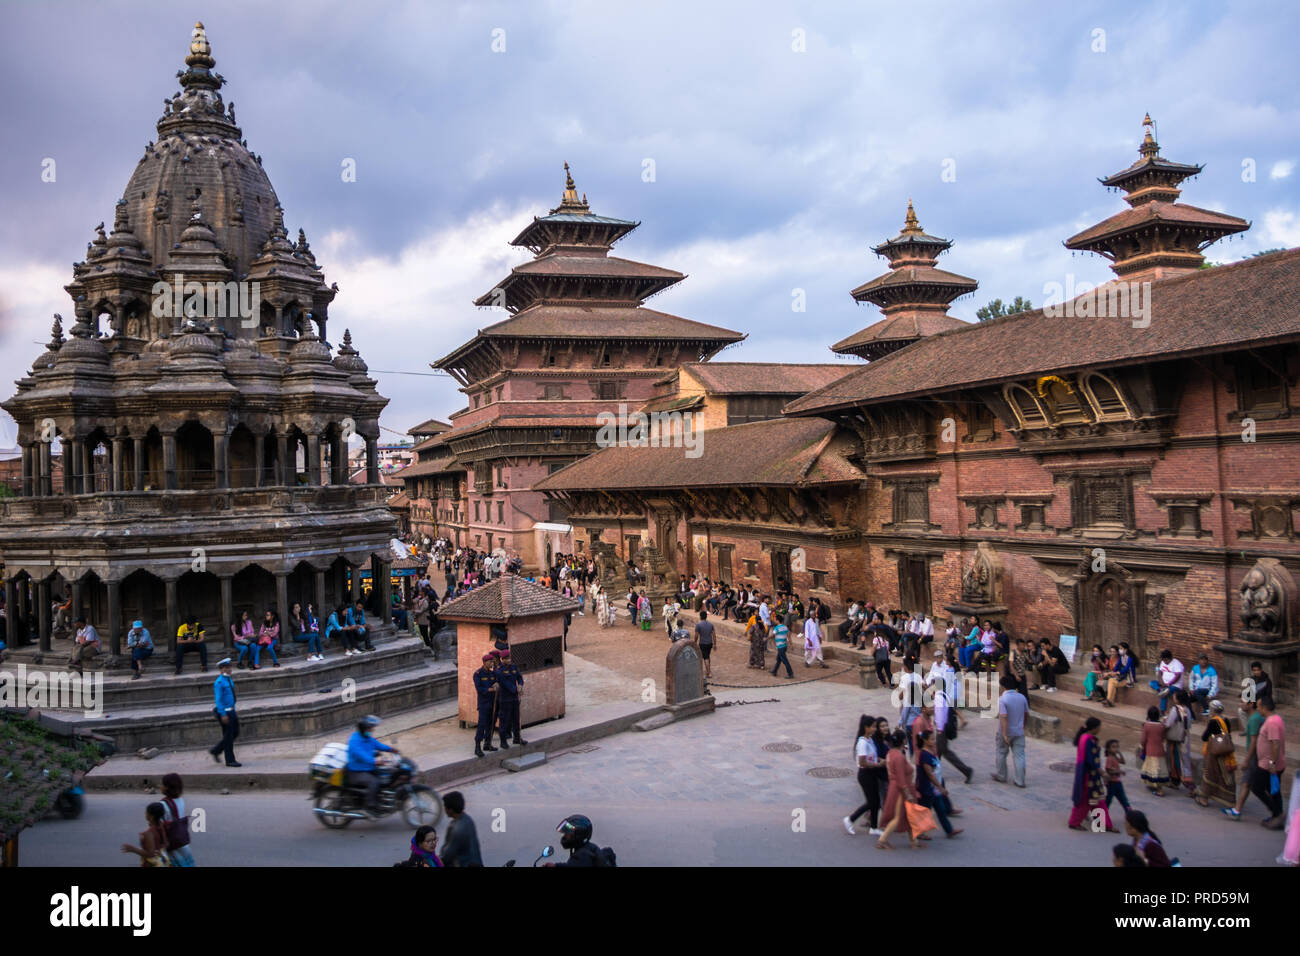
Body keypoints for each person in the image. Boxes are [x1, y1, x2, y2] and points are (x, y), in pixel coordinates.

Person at [928, 650, 973, 783]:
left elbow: (941, 714)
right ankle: (935, 770)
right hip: (944, 725)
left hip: (942, 728)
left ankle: (966, 770)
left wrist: (939, 728)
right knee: (938, 751)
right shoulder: (942, 694)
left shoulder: (939, 697)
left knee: (945, 751)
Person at [875, 730, 924, 851]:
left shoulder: (891, 753)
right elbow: (901, 778)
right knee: (898, 817)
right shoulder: (899, 757)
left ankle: (914, 841)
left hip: (897, 788)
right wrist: (908, 794)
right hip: (900, 791)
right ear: (903, 741)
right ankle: (882, 840)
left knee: (908, 816)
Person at [844, 715, 888, 837]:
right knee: (871, 802)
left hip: (871, 772)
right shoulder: (862, 742)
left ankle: (873, 827)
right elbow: (863, 762)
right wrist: (877, 765)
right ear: (866, 727)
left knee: (876, 801)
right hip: (865, 774)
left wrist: (880, 760)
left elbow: (872, 756)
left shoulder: (870, 740)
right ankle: (850, 819)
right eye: (873, 726)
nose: (875, 729)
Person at [1067, 717, 1113, 832]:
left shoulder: (1084, 738)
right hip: (1088, 776)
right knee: (1086, 800)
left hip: (1089, 775)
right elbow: (1091, 760)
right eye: (1099, 727)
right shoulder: (1089, 740)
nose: (1100, 729)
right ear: (1095, 728)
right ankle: (1074, 822)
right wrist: (1102, 773)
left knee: (1096, 799)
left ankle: (1104, 824)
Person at [915, 730, 963, 838]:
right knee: (924, 811)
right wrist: (940, 787)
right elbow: (930, 774)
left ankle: (949, 830)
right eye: (932, 739)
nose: (934, 741)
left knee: (940, 809)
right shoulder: (925, 755)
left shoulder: (931, 752)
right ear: (925, 740)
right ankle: (919, 832)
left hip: (933, 788)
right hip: (927, 788)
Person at [346, 714, 397, 815]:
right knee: (374, 782)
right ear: (364, 729)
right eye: (370, 728)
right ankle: (370, 806)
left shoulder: (367, 737)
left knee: (387, 775)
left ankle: (382, 799)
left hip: (367, 768)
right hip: (356, 771)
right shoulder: (354, 741)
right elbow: (362, 756)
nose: (372, 730)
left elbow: (377, 745)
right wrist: (376, 761)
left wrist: (391, 749)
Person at [1225, 699, 1265, 821]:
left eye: (1243, 702)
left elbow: (1254, 741)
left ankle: (1237, 810)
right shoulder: (1256, 717)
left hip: (1255, 755)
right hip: (1258, 754)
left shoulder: (1254, 719)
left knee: (1247, 783)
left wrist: (1247, 760)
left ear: (1250, 704)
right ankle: (1237, 809)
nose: (1240, 705)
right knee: (1248, 783)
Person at [1252, 696, 1287, 830]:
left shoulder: (1272, 722)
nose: (1258, 708)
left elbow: (1276, 744)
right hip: (1271, 763)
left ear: (1265, 707)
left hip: (1268, 765)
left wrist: (1272, 763)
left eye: (1259, 706)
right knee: (1273, 790)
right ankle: (1277, 816)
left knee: (1257, 787)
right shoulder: (1275, 719)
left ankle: (1277, 813)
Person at [1195, 700, 1237, 807]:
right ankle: (1230, 801)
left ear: (1213, 710)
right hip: (1225, 752)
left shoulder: (1213, 721)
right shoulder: (1226, 720)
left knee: (1209, 775)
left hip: (1214, 753)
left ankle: (1204, 799)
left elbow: (1204, 737)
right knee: (1225, 776)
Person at [991, 674, 1027, 787]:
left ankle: (1001, 775)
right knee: (1019, 756)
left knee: (1001, 752)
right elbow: (1026, 714)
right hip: (1019, 731)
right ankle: (1020, 780)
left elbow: (1004, 717)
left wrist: (1005, 734)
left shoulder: (1002, 699)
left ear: (1003, 687)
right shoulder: (1022, 697)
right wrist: (1023, 725)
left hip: (1005, 731)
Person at [546, 814, 614, 867]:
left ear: (579, 835)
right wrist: (556, 866)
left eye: (568, 833)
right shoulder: (589, 848)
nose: (565, 835)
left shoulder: (582, 856)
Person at [208, 658, 240, 767]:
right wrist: (223, 714)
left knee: (235, 733)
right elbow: (218, 700)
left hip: (231, 710)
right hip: (225, 712)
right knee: (229, 736)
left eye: (229, 667)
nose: (229, 669)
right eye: (226, 668)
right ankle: (230, 760)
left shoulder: (228, 679)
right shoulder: (219, 682)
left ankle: (216, 750)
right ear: (221, 670)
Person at [160, 773, 195, 867]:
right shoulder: (180, 800)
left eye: (162, 784)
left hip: (172, 843)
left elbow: (160, 825)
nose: (160, 786)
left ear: (167, 787)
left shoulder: (162, 804)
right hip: (181, 840)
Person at [440, 791, 483, 867]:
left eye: (445, 807)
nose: (444, 809)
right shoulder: (468, 820)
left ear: (451, 810)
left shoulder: (457, 829)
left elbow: (448, 855)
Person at [120, 802, 171, 867]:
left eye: (146, 813)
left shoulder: (149, 833)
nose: (145, 814)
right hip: (163, 860)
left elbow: (150, 853)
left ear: (151, 817)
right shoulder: (162, 825)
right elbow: (166, 843)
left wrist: (133, 849)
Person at [494, 649, 522, 750]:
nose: (509, 660)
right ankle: (503, 741)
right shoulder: (499, 671)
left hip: (514, 698)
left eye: (509, 658)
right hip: (505, 699)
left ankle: (517, 738)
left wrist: (520, 685)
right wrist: (516, 690)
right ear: (502, 659)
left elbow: (519, 677)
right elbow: (506, 684)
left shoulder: (514, 667)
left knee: (516, 719)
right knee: (504, 720)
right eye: (507, 659)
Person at [1139, 706, 1170, 796]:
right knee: (1159, 769)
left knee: (1154, 771)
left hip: (1150, 750)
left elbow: (1143, 740)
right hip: (1160, 750)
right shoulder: (1162, 726)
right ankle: (1155, 786)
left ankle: (1159, 790)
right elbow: (1163, 737)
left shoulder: (1147, 725)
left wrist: (1142, 747)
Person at [472, 654, 498, 758]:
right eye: (490, 662)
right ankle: (477, 746)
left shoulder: (493, 674)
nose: (492, 664)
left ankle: (487, 744)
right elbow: (479, 689)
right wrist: (490, 689)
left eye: (492, 662)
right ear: (484, 662)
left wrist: (496, 684)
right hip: (483, 703)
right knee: (481, 725)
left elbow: (496, 682)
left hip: (492, 702)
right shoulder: (478, 674)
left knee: (490, 724)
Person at [1103, 738, 1132, 816]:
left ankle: (1130, 814)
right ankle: (1102, 814)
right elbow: (1108, 770)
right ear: (1108, 749)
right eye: (1113, 747)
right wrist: (1119, 771)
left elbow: (1123, 762)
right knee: (1109, 800)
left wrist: (1119, 753)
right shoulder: (1109, 759)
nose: (1116, 749)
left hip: (1117, 782)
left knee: (1123, 799)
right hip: (1112, 783)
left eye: (1117, 747)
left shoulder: (1115, 757)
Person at [1150, 649, 1184, 714]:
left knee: (1164, 694)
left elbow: (1177, 676)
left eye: (1166, 660)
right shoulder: (1163, 662)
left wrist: (1168, 684)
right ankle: (1160, 689)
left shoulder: (1177, 664)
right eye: (1163, 660)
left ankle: (1162, 711)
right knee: (1152, 683)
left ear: (1170, 658)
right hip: (1164, 685)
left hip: (1174, 686)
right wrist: (1161, 682)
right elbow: (1160, 673)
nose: (1164, 662)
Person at [1188, 653, 1219, 720]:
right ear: (1198, 661)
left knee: (1198, 692)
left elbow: (1215, 685)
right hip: (1196, 692)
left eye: (1205, 660)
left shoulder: (1212, 671)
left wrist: (1210, 695)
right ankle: (1192, 716)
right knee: (1186, 699)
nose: (1203, 661)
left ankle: (1207, 709)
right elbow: (1191, 678)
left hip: (1206, 690)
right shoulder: (1195, 668)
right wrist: (1191, 688)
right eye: (1201, 659)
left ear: (1207, 661)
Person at [769, 613, 793, 678]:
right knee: (779, 659)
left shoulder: (777, 628)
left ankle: (790, 673)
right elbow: (789, 636)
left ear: (778, 620)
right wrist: (791, 644)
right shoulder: (785, 627)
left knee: (784, 660)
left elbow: (772, 635)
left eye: (775, 619)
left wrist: (766, 638)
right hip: (784, 645)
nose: (774, 620)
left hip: (780, 646)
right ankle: (774, 671)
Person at [693, 610, 715, 679]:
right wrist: (715, 644)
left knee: (705, 658)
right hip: (710, 643)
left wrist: (694, 643)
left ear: (700, 617)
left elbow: (696, 635)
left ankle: (709, 672)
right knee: (707, 656)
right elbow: (714, 635)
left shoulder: (698, 625)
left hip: (702, 643)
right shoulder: (710, 624)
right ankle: (708, 670)